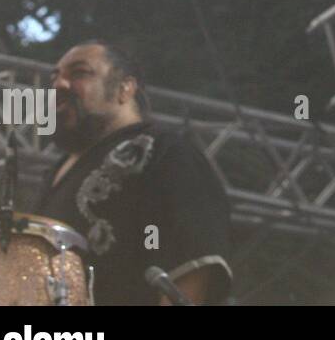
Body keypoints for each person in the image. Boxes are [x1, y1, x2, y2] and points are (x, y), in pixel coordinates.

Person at [37, 40, 233, 305]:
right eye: (55, 77)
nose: (59, 85)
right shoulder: (56, 172)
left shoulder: (165, 150)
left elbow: (192, 258)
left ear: (124, 88)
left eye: (79, 73)